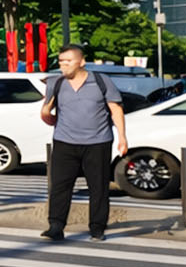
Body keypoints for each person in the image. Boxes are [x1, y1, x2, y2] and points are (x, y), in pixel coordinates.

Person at [40, 44, 127, 241]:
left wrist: (122, 137)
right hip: (64, 142)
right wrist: (47, 115)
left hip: (98, 142)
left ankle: (97, 228)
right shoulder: (56, 83)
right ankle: (55, 226)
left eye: (68, 61)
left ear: (81, 62)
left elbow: (116, 110)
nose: (63, 65)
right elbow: (46, 112)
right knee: (60, 186)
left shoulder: (100, 81)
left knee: (98, 187)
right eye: (61, 61)